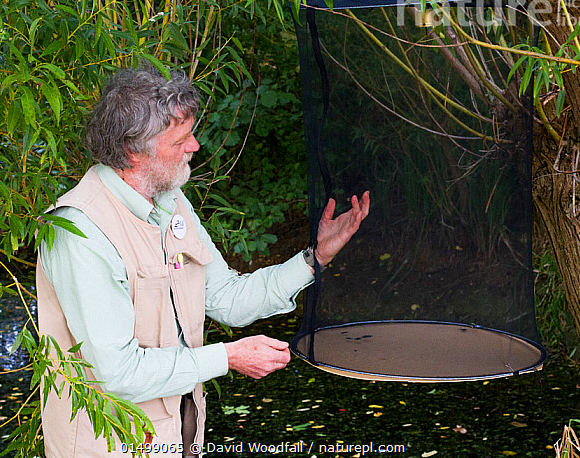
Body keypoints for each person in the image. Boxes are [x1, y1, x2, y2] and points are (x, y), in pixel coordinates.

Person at [36, 65, 370, 458]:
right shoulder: (79, 231)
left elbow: (227, 298)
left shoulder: (171, 201)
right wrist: (228, 357)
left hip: (180, 436)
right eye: (180, 139)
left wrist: (315, 257)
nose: (195, 146)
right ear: (132, 151)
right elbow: (118, 373)